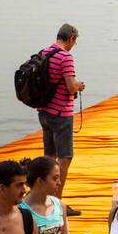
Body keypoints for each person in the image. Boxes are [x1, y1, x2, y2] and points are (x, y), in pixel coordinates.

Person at [35, 23, 84, 216]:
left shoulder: (44, 52)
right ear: (71, 39)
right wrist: (79, 86)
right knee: (65, 158)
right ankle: (57, 203)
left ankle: (43, 199)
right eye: (75, 41)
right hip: (61, 113)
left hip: (44, 111)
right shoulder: (65, 57)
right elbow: (71, 86)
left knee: (49, 157)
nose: (74, 45)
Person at [20, 155, 90, 234]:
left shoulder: (59, 205)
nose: (59, 183)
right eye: (55, 178)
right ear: (40, 181)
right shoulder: (21, 211)